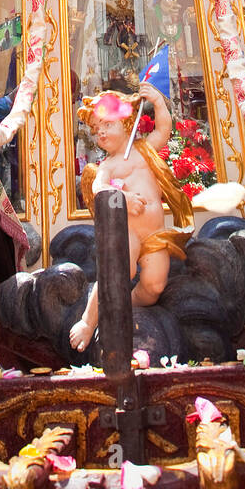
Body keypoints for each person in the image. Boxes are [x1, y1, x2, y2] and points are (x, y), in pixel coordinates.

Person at [69, 82, 194, 351]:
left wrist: (158, 103)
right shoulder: (108, 165)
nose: (100, 132)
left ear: (126, 124)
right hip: (128, 231)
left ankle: (122, 303)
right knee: (118, 269)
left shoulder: (145, 150)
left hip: (155, 234)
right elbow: (99, 189)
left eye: (107, 125)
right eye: (96, 129)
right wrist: (123, 199)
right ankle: (88, 322)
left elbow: (164, 129)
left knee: (154, 285)